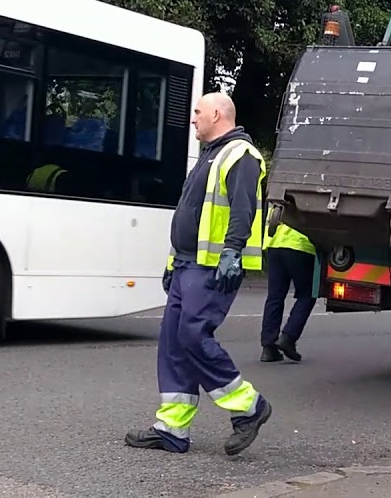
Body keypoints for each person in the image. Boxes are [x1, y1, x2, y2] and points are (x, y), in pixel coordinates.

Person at [125, 92, 272, 456]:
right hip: (189, 262)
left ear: (218, 114)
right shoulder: (210, 154)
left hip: (212, 266)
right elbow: (192, 214)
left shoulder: (240, 154)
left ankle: (248, 407)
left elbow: (244, 207)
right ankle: (173, 428)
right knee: (174, 342)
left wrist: (232, 251)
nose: (193, 118)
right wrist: (173, 260)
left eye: (198, 112)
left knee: (192, 334)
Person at [260, 222, 319, 363]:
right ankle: (288, 338)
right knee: (308, 294)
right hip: (299, 245)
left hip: (275, 243)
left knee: (275, 296)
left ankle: (268, 348)